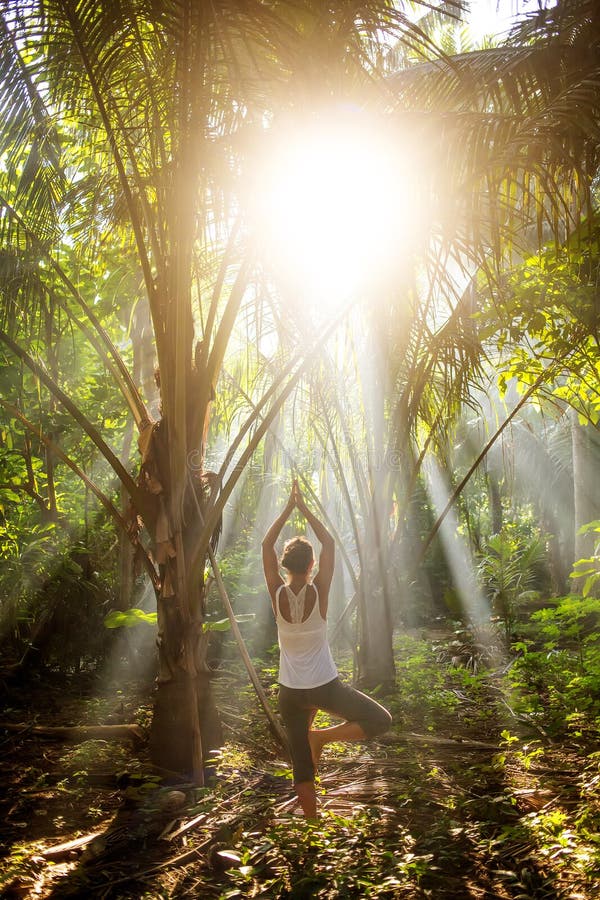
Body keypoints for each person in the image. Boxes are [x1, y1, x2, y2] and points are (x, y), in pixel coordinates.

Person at [262, 480, 392, 819]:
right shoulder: (319, 590)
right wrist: (304, 508)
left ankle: (311, 827)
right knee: (380, 720)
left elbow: (265, 545)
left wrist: (287, 510)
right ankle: (321, 738)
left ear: (285, 565)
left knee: (301, 767)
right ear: (311, 566)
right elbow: (330, 543)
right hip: (324, 687)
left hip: (289, 693)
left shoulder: (276, 594)